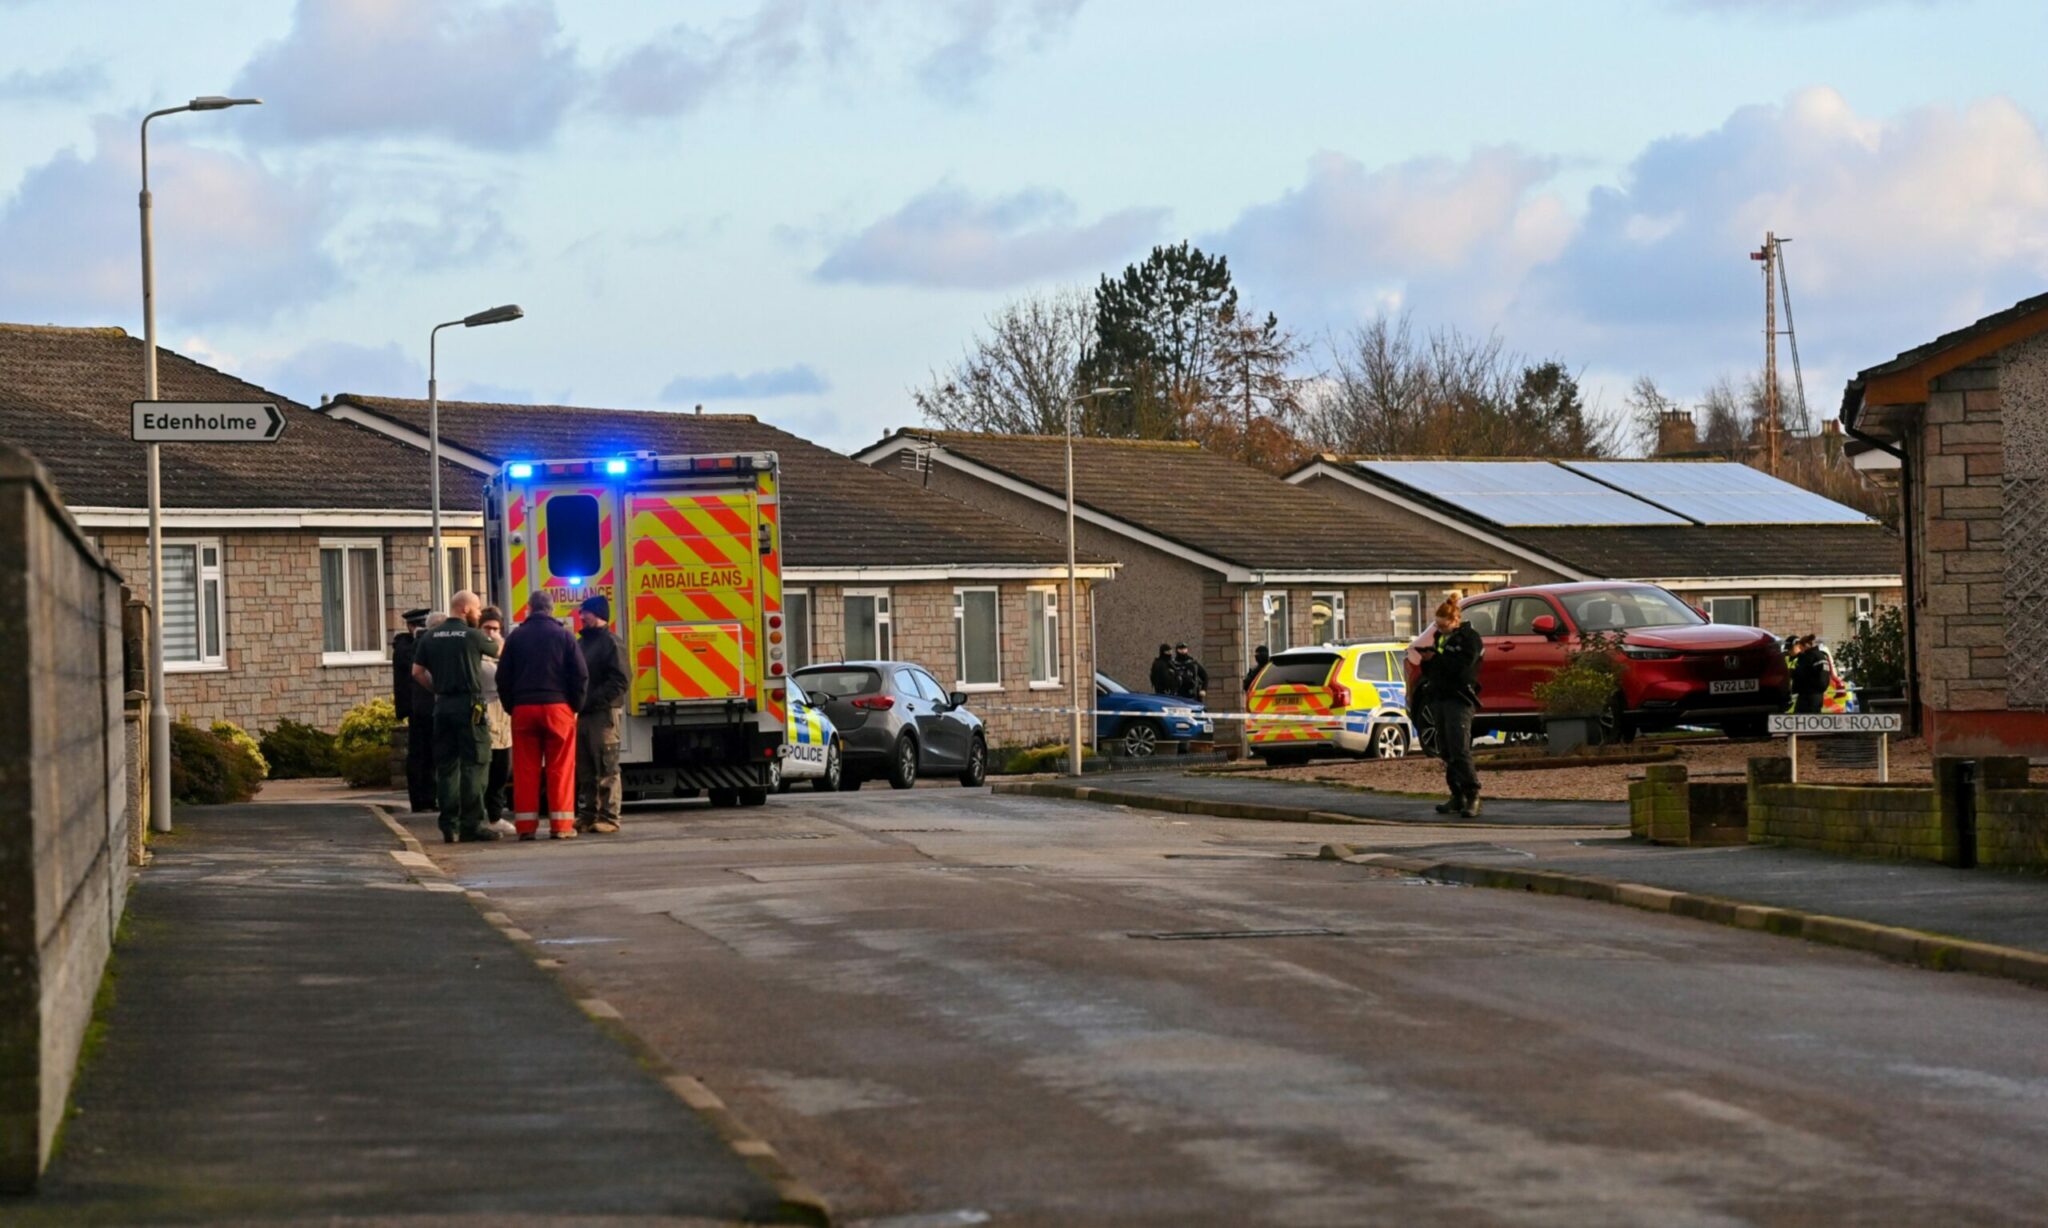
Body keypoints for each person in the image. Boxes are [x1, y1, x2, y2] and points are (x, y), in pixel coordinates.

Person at [497, 591, 587, 841]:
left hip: (524, 709)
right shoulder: (564, 636)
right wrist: (575, 706)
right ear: (551, 608)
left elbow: (502, 677)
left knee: (525, 769)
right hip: (558, 708)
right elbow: (580, 675)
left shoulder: (516, 637)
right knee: (560, 767)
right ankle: (562, 826)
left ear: (529, 608)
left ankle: (525, 827)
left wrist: (511, 706)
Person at [410, 592, 500, 843]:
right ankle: (471, 825)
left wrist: (436, 690)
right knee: (475, 764)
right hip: (470, 707)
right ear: (464, 609)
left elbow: (416, 672)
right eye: (477, 608)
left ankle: (449, 826)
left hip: (442, 708)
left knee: (447, 767)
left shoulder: (429, 637)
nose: (480, 613)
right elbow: (498, 649)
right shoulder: (473, 635)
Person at [1416, 596, 1485, 819]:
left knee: (1459, 748)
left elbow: (1461, 668)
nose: (1440, 630)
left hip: (1459, 697)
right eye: (1438, 625)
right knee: (1445, 749)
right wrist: (1427, 661)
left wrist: (1436, 659)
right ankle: (1456, 794)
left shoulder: (1469, 639)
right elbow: (1434, 670)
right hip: (1439, 696)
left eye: (1444, 625)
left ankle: (1472, 793)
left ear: (1455, 620)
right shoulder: (1439, 638)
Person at [575, 595, 629, 834]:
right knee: (586, 768)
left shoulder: (611, 643)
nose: (580, 617)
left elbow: (620, 680)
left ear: (597, 614)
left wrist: (592, 700)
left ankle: (609, 816)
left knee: (607, 766)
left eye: (584, 612)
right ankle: (588, 814)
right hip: (584, 714)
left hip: (603, 714)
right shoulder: (582, 643)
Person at [477, 606, 517, 837]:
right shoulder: (475, 652)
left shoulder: (504, 652)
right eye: (487, 628)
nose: (491, 633)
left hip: (503, 712)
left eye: (496, 629)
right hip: (483, 711)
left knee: (503, 767)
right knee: (486, 768)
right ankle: (483, 815)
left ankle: (495, 815)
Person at [395, 607, 435, 813]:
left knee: (431, 754)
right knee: (419, 755)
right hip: (415, 709)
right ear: (410, 627)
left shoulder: (424, 643)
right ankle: (420, 800)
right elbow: (411, 661)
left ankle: (431, 797)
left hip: (430, 707)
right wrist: (421, 638)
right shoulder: (403, 644)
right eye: (418, 626)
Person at [1791, 633, 1828, 715]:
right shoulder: (1821, 655)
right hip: (1819, 696)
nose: (1801, 650)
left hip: (1807, 696)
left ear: (1806, 645)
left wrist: (1792, 672)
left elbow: (1801, 674)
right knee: (1814, 720)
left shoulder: (1809, 657)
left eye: (1801, 647)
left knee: (1798, 720)